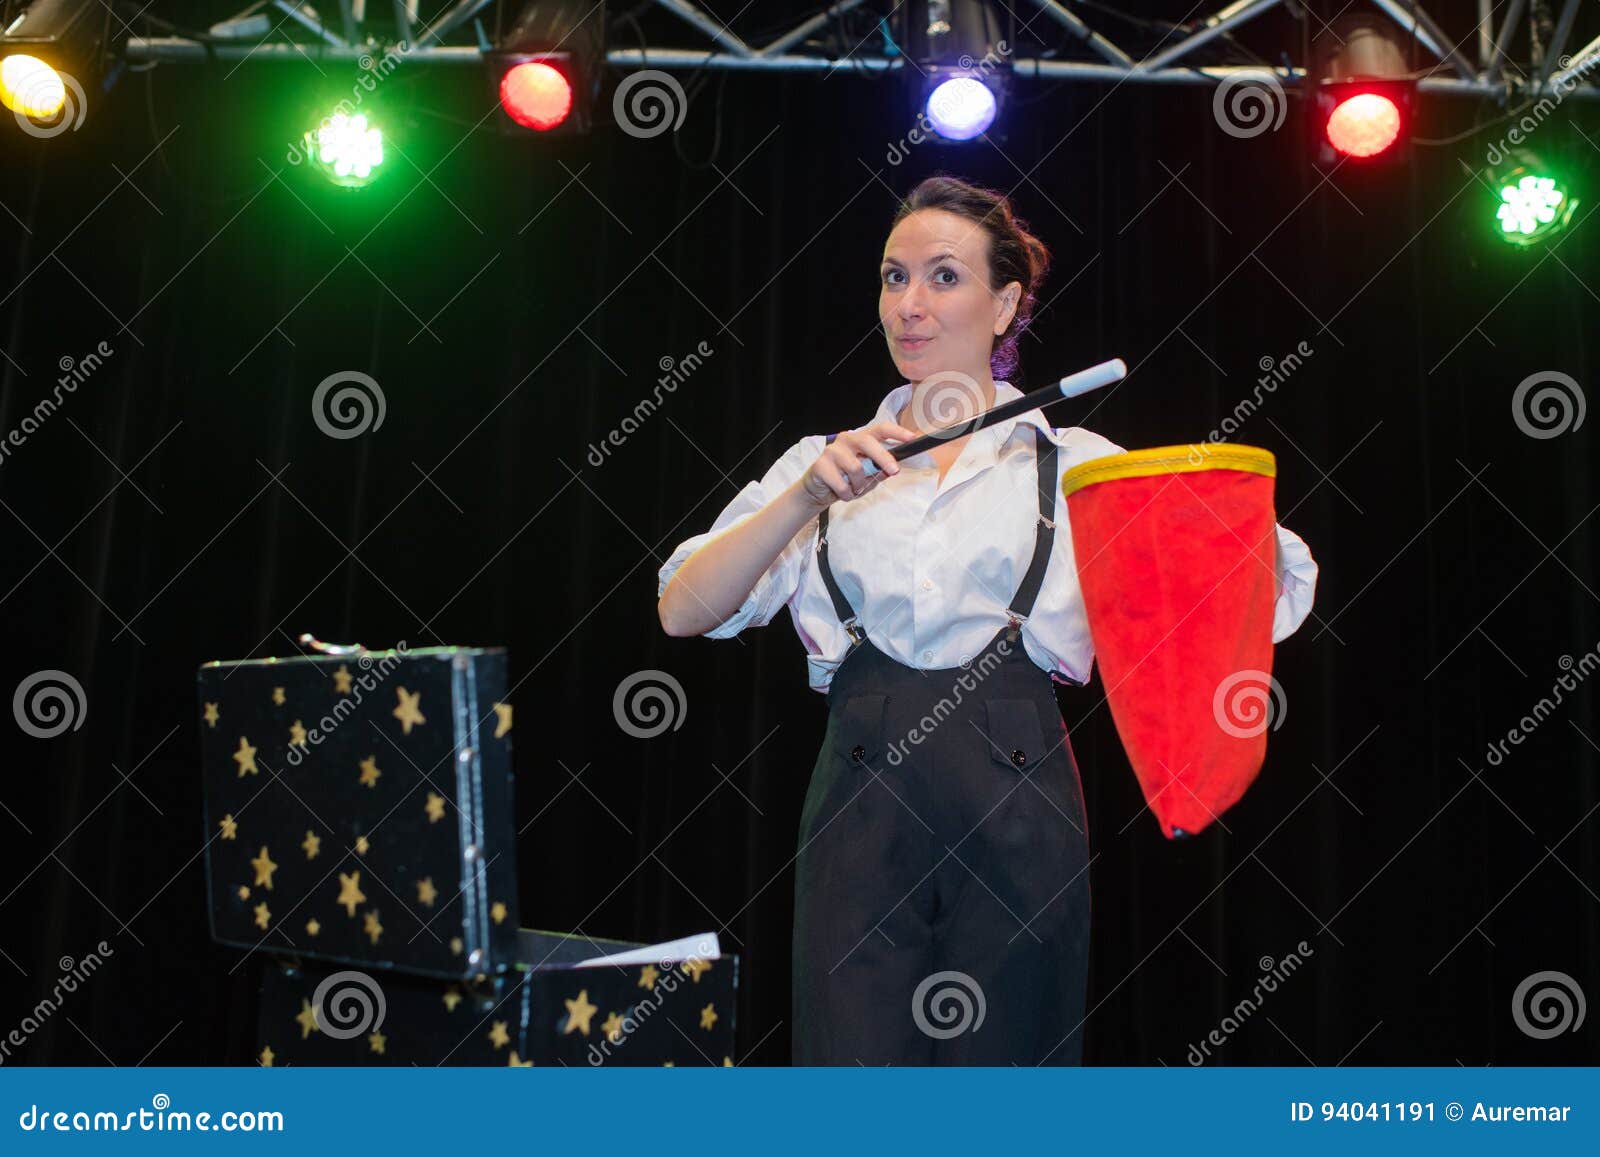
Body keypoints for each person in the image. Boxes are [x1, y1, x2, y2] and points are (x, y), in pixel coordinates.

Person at [656, 175, 1318, 1066]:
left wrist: (1200, 518)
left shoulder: (1075, 464)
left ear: (1005, 305)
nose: (910, 304)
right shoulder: (820, 463)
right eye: (893, 277)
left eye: (943, 276)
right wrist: (805, 498)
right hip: (857, 806)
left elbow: (1262, 585)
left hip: (1020, 804)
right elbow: (682, 609)